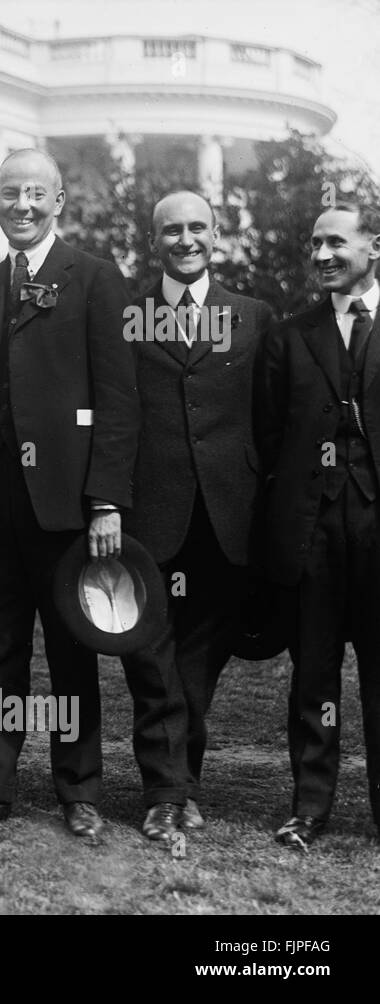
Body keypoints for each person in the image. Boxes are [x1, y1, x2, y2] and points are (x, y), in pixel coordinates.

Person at [0, 148, 137, 840]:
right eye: (7, 195)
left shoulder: (96, 280)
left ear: (58, 201)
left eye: (34, 194)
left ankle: (78, 791)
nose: (20, 206)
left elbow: (117, 401)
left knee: (71, 652)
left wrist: (106, 500)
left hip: (67, 509)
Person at [120, 191, 273, 840]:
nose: (185, 240)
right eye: (171, 231)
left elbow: (270, 421)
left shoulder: (255, 316)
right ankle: (165, 792)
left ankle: (181, 785)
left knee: (197, 664)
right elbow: (110, 412)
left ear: (217, 236)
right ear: (154, 242)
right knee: (148, 657)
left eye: (197, 228)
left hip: (225, 518)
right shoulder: (126, 314)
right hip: (146, 516)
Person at [255, 201, 380, 847]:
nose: (322, 255)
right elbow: (268, 440)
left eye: (336, 242)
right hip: (313, 535)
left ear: (373, 246)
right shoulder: (288, 335)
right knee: (315, 678)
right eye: (314, 244)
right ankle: (310, 807)